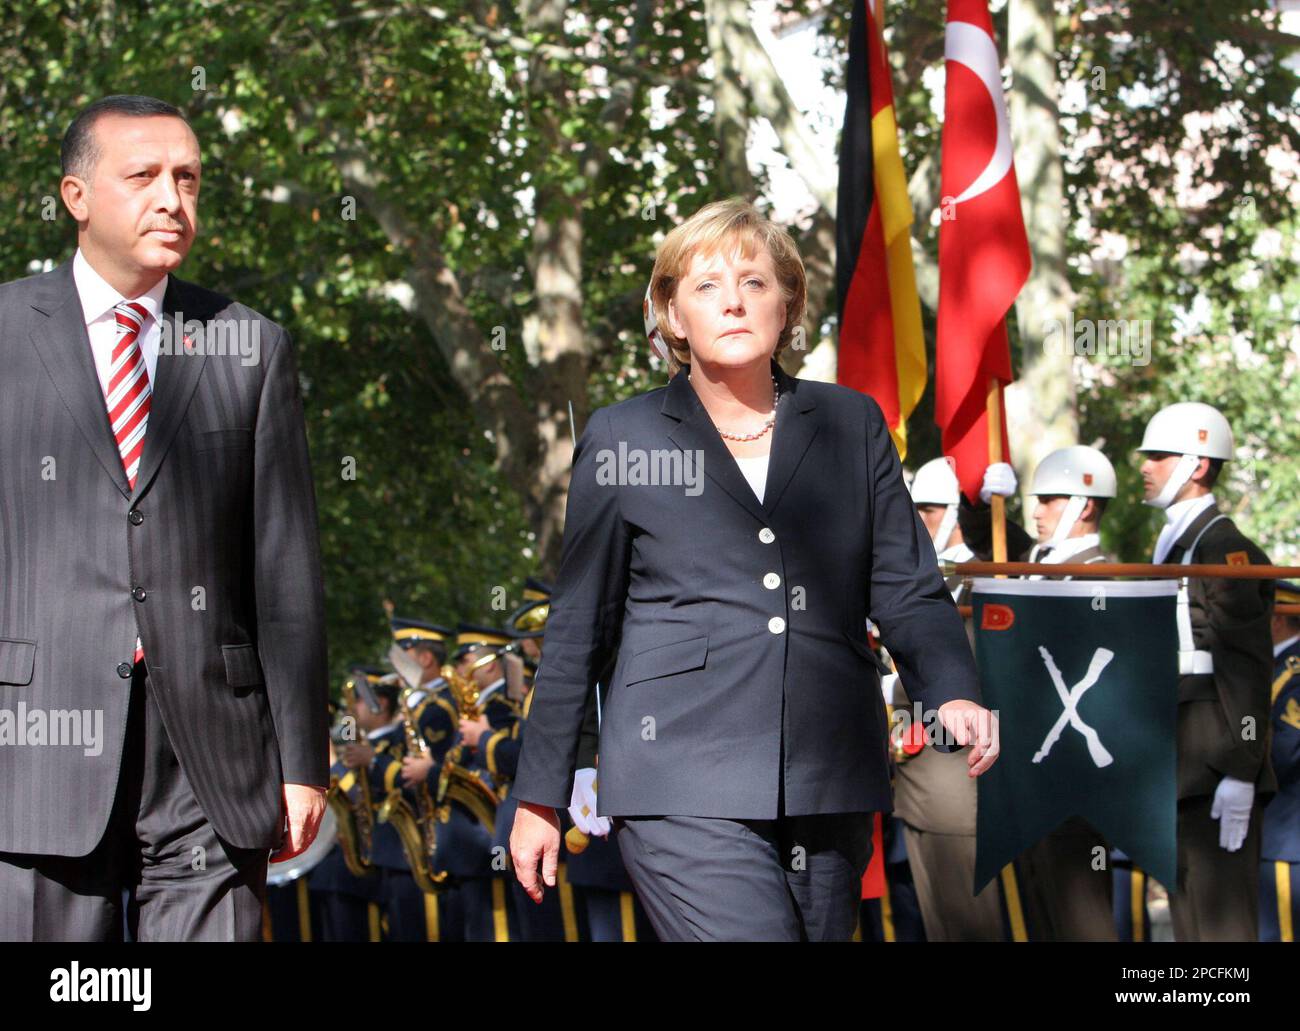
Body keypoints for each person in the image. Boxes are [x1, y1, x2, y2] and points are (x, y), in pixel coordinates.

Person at [509, 199, 999, 942]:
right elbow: (580, 623)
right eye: (705, 286)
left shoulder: (850, 423)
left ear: (789, 304)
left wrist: (952, 688)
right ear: (671, 315)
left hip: (827, 772)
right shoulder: (621, 435)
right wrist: (540, 792)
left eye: (754, 281)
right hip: (678, 780)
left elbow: (903, 582)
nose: (732, 300)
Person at [0, 94, 328, 942]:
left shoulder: (247, 345)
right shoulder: (4, 333)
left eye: (188, 179)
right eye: (142, 176)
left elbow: (283, 568)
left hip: (212, 755)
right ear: (75, 195)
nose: (171, 200)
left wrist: (303, 762)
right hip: (34, 749)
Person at [964, 446, 1120, 941]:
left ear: (1085, 504)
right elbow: (986, 540)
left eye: (1049, 500)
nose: (1037, 511)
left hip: (1074, 769)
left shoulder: (1105, 572)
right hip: (1026, 766)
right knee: (1040, 909)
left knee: (1080, 913)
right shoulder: (1034, 560)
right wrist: (981, 502)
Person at [1137, 401, 1276, 941]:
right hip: (1178, 763)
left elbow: (1246, 667)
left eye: (1160, 455)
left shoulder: (1225, 548)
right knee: (1190, 926)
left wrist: (1242, 767)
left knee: (1224, 931)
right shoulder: (1175, 543)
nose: (1145, 466)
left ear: (1197, 465)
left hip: (1213, 761)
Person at [1261, 580, 1300, 941]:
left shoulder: (1291, 672)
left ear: (1275, 620)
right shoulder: (1276, 669)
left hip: (1286, 833)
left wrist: (1238, 776)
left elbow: (1285, 749)